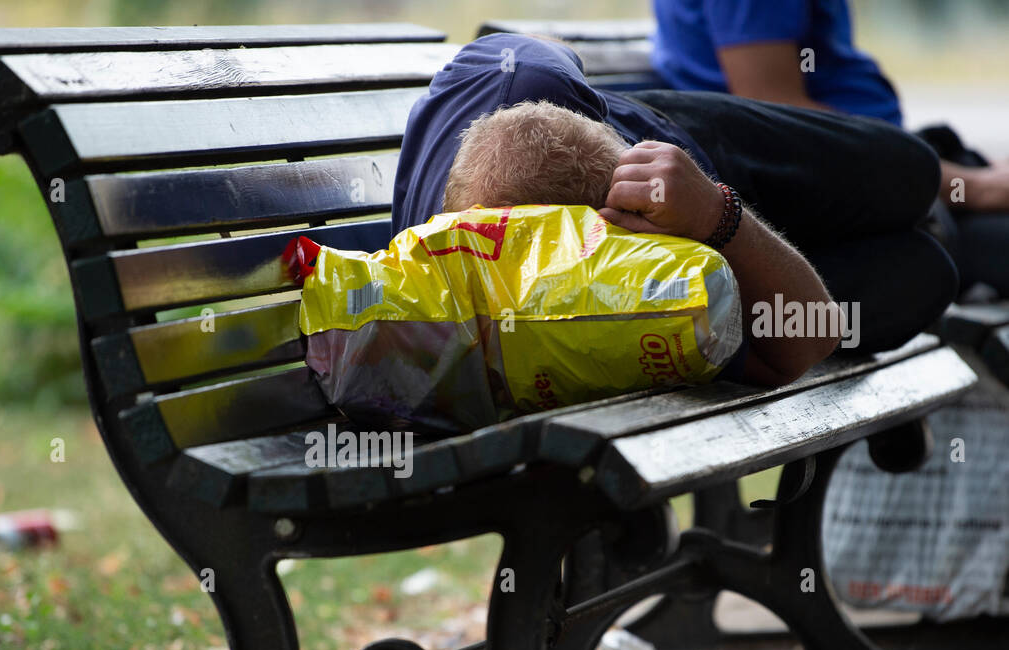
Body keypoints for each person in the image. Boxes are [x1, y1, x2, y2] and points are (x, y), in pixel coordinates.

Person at [394, 33, 957, 380]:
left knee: (914, 170)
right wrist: (718, 220)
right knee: (926, 273)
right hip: (706, 226)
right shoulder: (586, 302)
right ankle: (947, 219)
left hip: (687, 136)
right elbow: (810, 341)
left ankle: (950, 194)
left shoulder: (520, 76)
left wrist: (697, 192)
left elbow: (530, 47)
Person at [650, 0, 1009, 299]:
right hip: (849, 194)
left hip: (888, 177)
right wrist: (977, 187)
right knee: (931, 263)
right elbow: (776, 109)